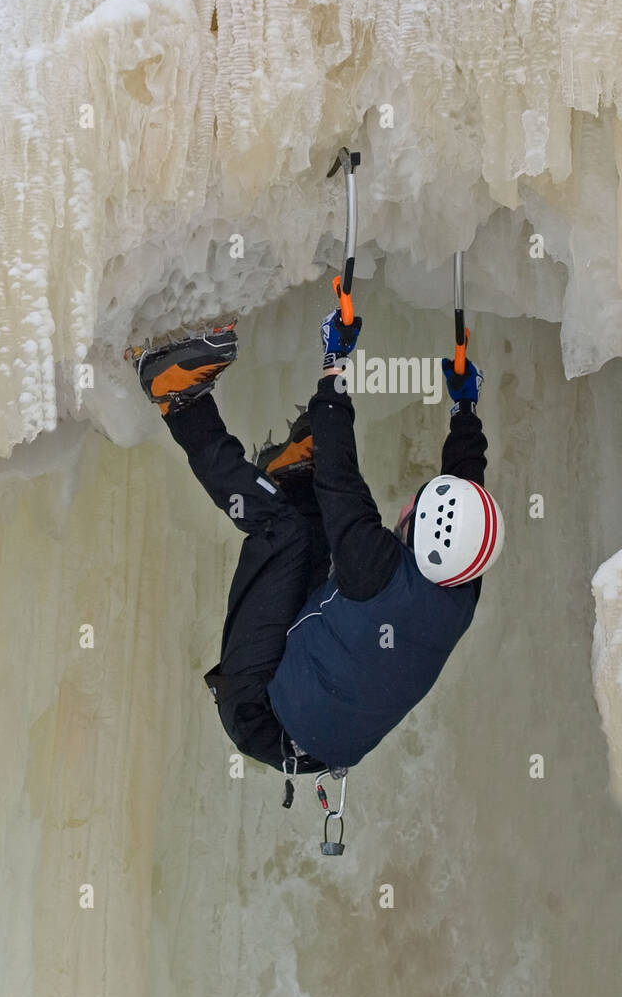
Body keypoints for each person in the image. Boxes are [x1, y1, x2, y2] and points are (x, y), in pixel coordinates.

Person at [131, 309, 504, 782]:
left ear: (421, 526)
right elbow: (466, 489)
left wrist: (335, 361)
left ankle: (179, 400)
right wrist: (463, 407)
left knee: (282, 532)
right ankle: (291, 477)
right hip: (314, 725)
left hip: (259, 709)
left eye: (416, 506)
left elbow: (339, 473)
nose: (408, 503)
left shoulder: (377, 568)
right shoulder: (459, 579)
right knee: (314, 537)